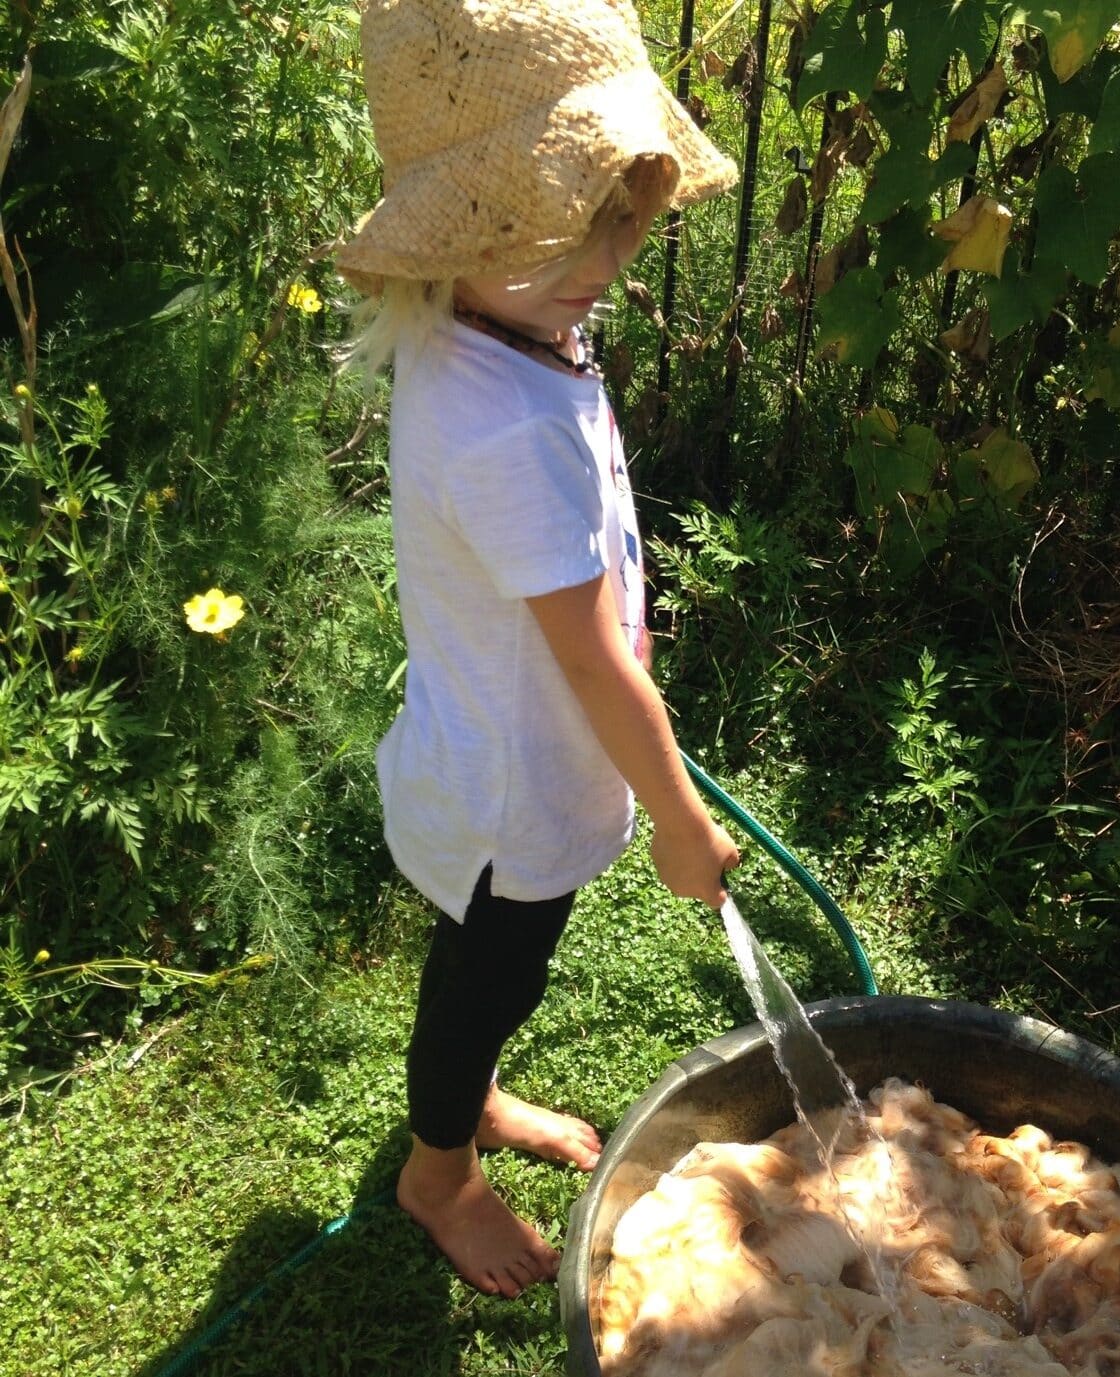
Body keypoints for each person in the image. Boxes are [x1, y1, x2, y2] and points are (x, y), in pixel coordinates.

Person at [334, 0, 741, 1299]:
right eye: (559, 233)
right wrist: (678, 819)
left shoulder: (500, 333)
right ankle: (437, 1174)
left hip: (500, 747)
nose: (601, 265)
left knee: (494, 976)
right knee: (485, 984)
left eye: (619, 223)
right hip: (514, 795)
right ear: (458, 233)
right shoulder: (502, 423)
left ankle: (473, 1103)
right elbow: (589, 664)